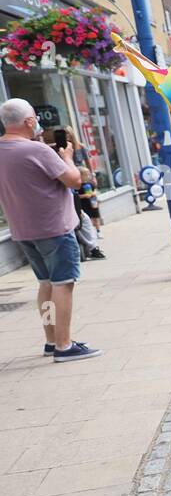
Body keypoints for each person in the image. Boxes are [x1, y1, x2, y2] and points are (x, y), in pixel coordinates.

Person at [0, 97, 101, 361]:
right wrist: (66, 157)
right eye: (35, 117)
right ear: (29, 121)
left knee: (45, 283)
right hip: (54, 227)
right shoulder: (38, 151)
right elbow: (74, 180)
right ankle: (64, 346)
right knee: (63, 284)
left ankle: (51, 340)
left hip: (23, 230)